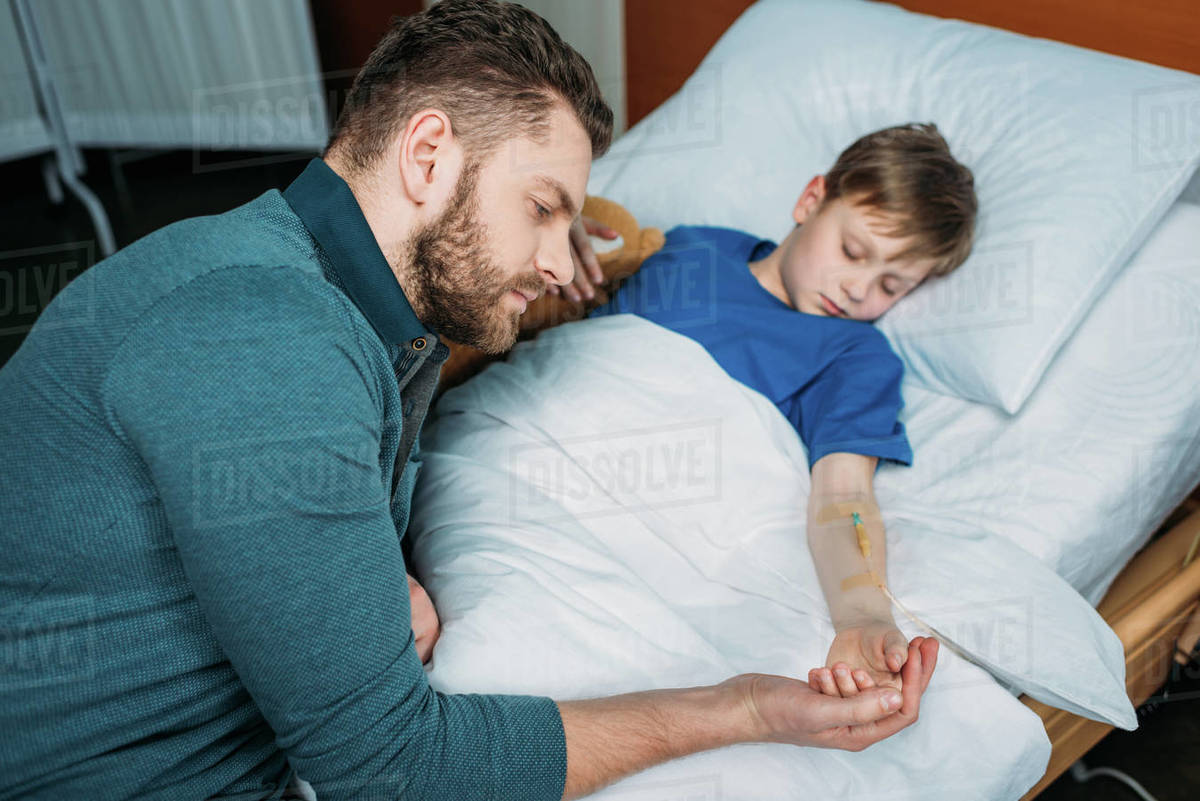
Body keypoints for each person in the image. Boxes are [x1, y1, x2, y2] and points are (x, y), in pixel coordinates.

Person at [0, 3, 938, 800]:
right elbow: (395, 767)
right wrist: (744, 705)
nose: (552, 257)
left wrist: (369, 575)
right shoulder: (263, 338)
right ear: (428, 153)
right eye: (542, 207)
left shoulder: (350, 312)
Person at [592, 123, 976, 700]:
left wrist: (862, 616)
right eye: (853, 251)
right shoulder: (693, 247)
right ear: (811, 199)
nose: (855, 289)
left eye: (890, 286)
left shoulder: (856, 356)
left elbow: (844, 496)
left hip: (643, 511)